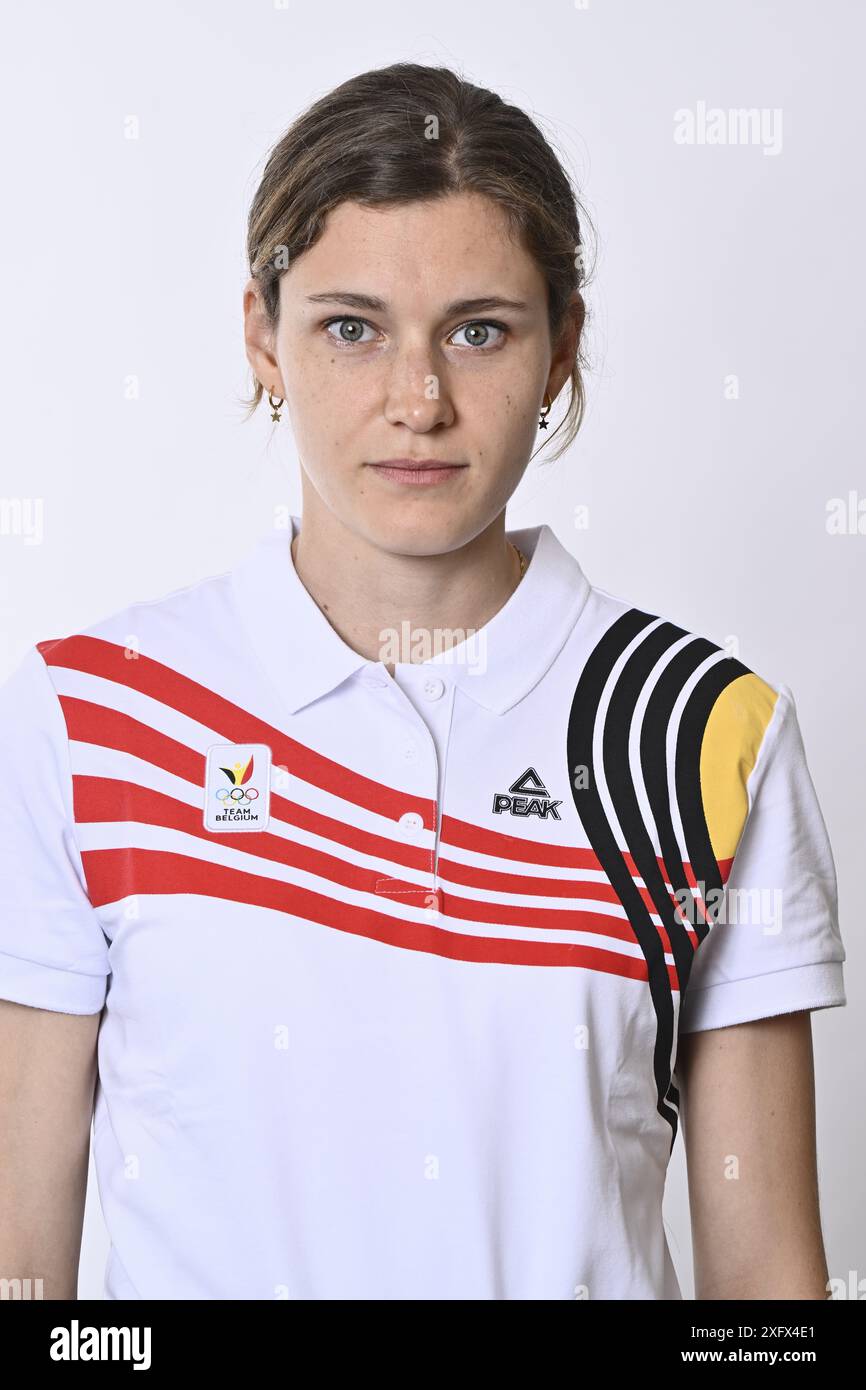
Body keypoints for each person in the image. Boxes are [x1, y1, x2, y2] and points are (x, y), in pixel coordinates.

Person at [0, 62, 846, 1302]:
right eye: (351, 327)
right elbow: (22, 1273)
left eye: (479, 330)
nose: (418, 401)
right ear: (261, 335)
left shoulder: (701, 731)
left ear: (560, 347)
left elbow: (767, 1289)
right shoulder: (90, 719)